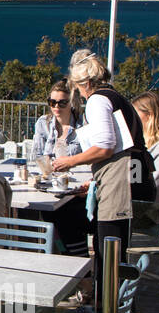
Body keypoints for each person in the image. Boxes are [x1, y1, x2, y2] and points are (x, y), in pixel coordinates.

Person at [51, 50, 153, 282]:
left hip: (120, 183)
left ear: (86, 83)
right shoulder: (116, 97)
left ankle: (103, 306)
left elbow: (105, 147)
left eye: (77, 86)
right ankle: (109, 302)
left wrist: (69, 161)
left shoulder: (97, 100)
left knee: (107, 248)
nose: (77, 91)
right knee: (114, 248)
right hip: (135, 176)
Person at [31, 80, 83, 160]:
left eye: (62, 103)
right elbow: (37, 156)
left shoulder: (82, 125)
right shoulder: (43, 123)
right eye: (52, 102)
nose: (56, 106)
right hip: (48, 171)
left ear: (71, 103)